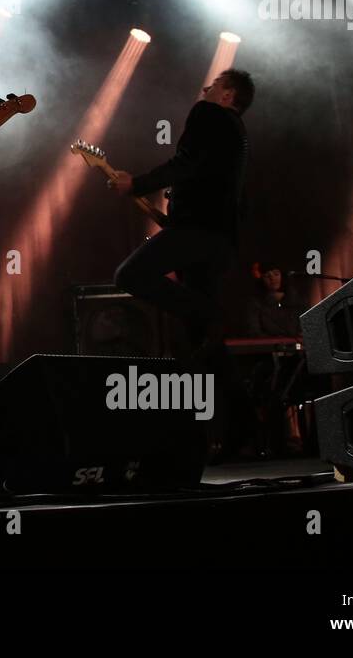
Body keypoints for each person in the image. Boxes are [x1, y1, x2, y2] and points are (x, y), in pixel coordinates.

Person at [109, 70, 254, 455]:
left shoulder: (207, 114)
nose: (203, 89)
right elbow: (204, 174)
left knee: (131, 275)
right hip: (220, 240)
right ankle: (239, 432)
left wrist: (135, 184)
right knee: (202, 342)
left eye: (212, 86)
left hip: (197, 232)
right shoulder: (238, 133)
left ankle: (209, 314)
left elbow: (184, 163)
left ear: (227, 95)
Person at [246, 264, 303, 337]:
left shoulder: (296, 299)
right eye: (267, 276)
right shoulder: (255, 303)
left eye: (276, 274)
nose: (272, 279)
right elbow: (254, 331)